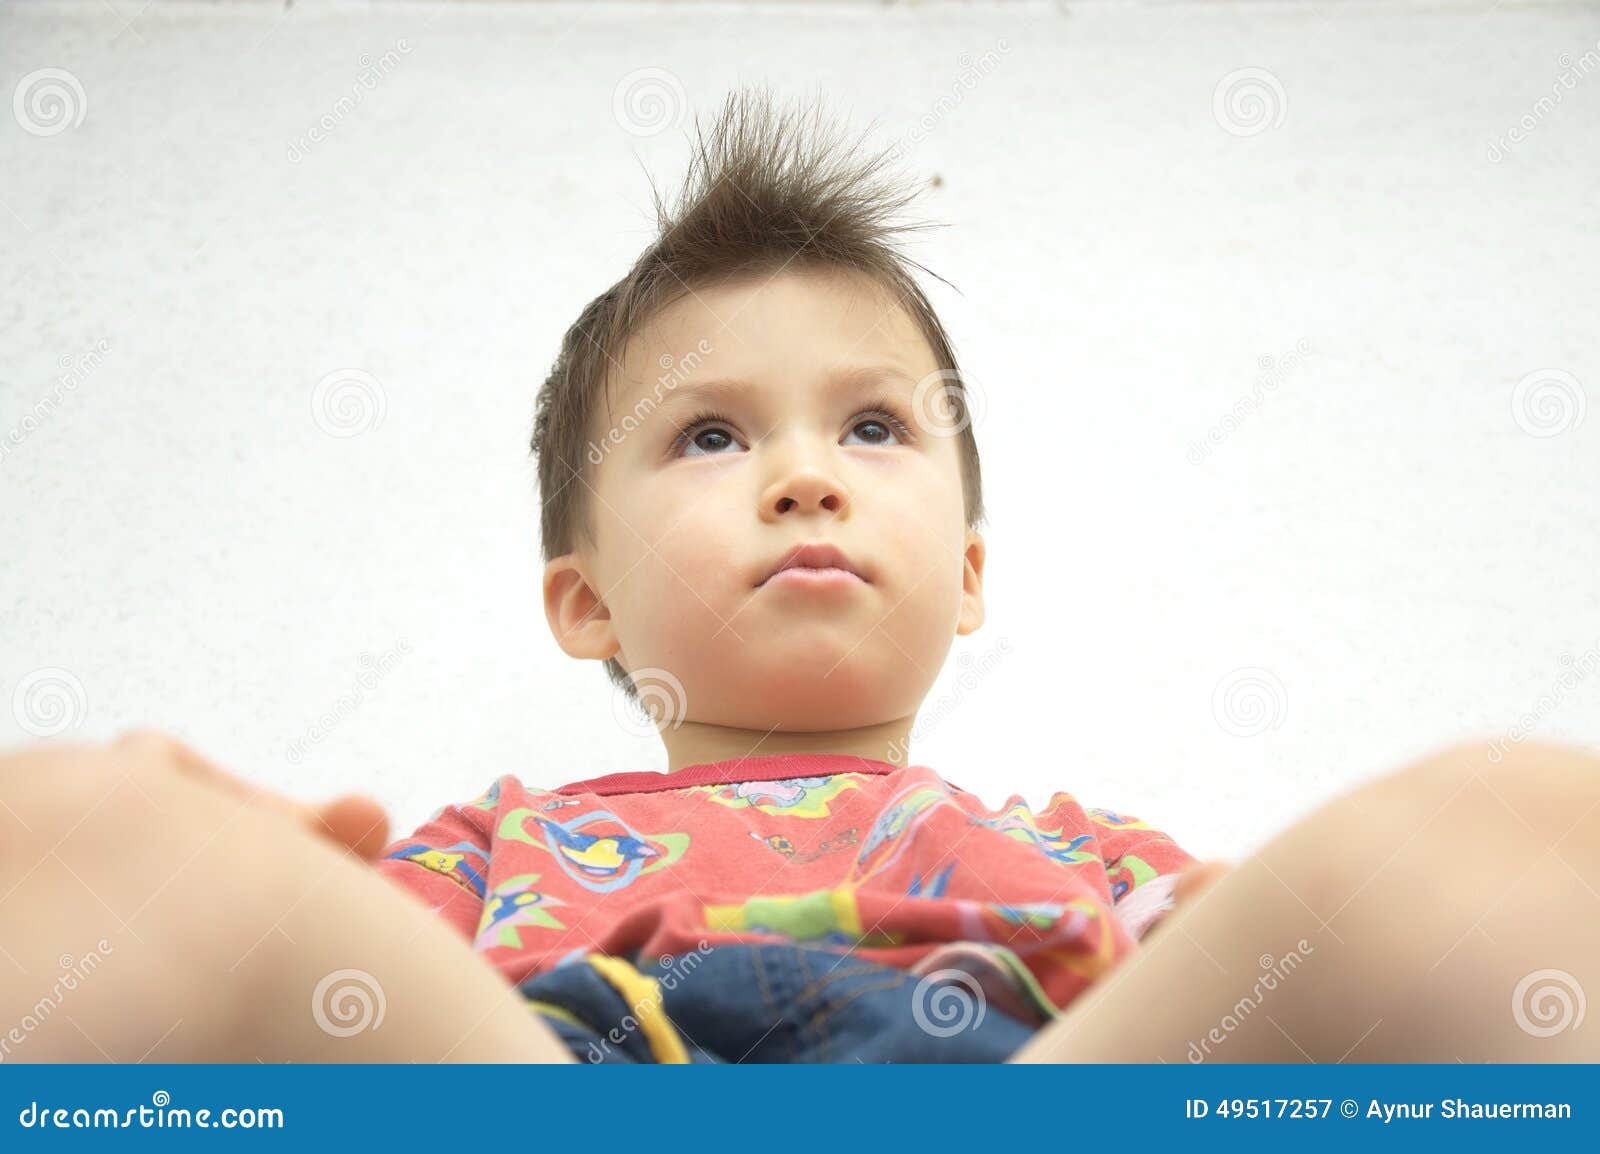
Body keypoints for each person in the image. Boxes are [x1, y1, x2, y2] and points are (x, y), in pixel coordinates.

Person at [4, 89, 1596, 1064]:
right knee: (81, 833)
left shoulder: (1078, 849)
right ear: (588, 602)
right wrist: (210, 867)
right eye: (708, 435)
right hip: (568, 1082)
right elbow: (311, 1000)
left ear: (966, 573)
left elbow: (1292, 991)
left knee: (1499, 829)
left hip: (1036, 1086)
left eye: (878, 425)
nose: (805, 472)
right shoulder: (496, 841)